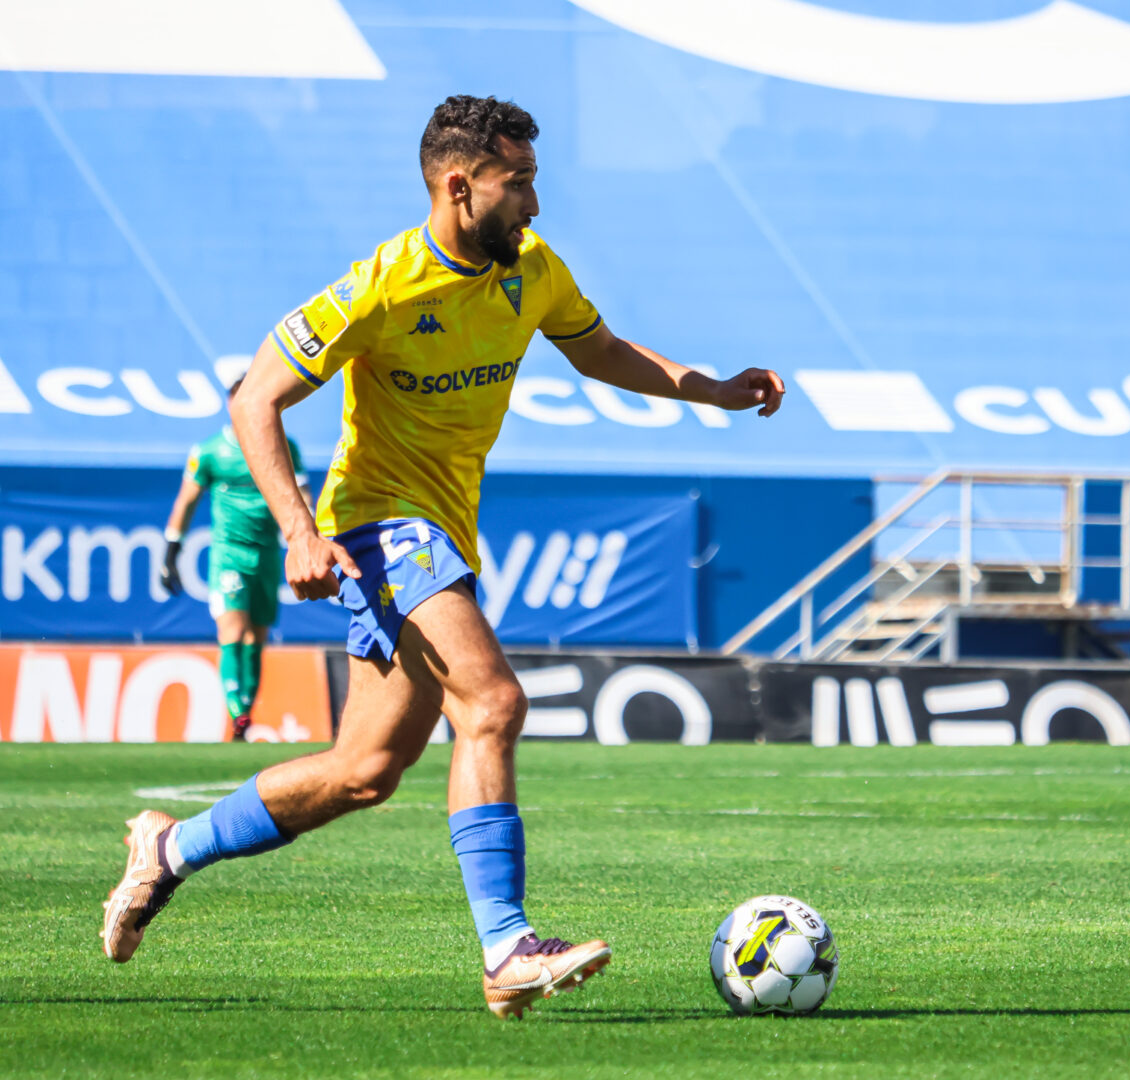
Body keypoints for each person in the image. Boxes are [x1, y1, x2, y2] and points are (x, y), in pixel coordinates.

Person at [101, 95, 786, 1018]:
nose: (534, 203)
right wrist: (300, 531)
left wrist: (716, 391)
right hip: (381, 523)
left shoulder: (532, 268)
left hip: (443, 530)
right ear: (460, 186)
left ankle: (169, 848)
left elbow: (602, 352)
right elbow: (254, 398)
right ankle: (507, 949)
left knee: (363, 772)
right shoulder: (380, 287)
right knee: (493, 702)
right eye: (519, 183)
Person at [158, 379, 310, 742]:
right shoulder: (210, 451)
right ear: (230, 406)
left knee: (258, 635)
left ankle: (244, 715)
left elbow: (302, 495)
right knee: (232, 631)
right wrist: (171, 552)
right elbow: (186, 501)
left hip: (267, 553)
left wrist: (313, 538)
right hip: (229, 553)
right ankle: (237, 712)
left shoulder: (284, 446)